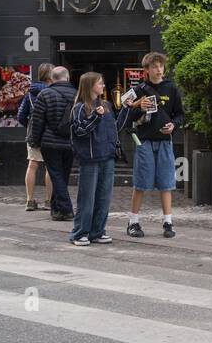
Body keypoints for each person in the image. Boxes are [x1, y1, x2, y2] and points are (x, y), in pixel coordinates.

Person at [120, 51, 184, 238]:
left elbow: (179, 114)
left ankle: (168, 222)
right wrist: (138, 105)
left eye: (161, 66)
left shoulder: (171, 88)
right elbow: (124, 116)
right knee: (141, 182)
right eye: (154, 66)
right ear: (146, 70)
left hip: (165, 141)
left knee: (166, 183)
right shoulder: (139, 89)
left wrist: (174, 125)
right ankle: (133, 222)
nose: (158, 70)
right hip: (144, 140)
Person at [68, 72, 120, 246]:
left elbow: (115, 127)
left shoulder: (105, 105)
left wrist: (128, 109)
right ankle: (80, 232)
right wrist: (95, 117)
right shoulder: (80, 108)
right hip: (90, 158)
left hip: (107, 156)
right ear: (90, 86)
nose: (103, 86)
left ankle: (97, 231)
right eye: (100, 83)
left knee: (104, 197)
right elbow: (80, 131)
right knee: (87, 197)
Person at [26, 66, 77, 221]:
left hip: (50, 142)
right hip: (70, 142)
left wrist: (35, 140)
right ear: (67, 78)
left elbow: (38, 121)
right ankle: (56, 209)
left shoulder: (45, 94)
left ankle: (66, 208)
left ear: (52, 79)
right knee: (63, 175)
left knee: (56, 175)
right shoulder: (77, 94)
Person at [18, 62, 54, 211]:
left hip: (34, 133)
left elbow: (21, 115)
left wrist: (29, 126)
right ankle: (48, 201)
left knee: (32, 165)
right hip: (50, 133)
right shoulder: (53, 91)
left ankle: (30, 200)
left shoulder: (30, 93)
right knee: (50, 168)